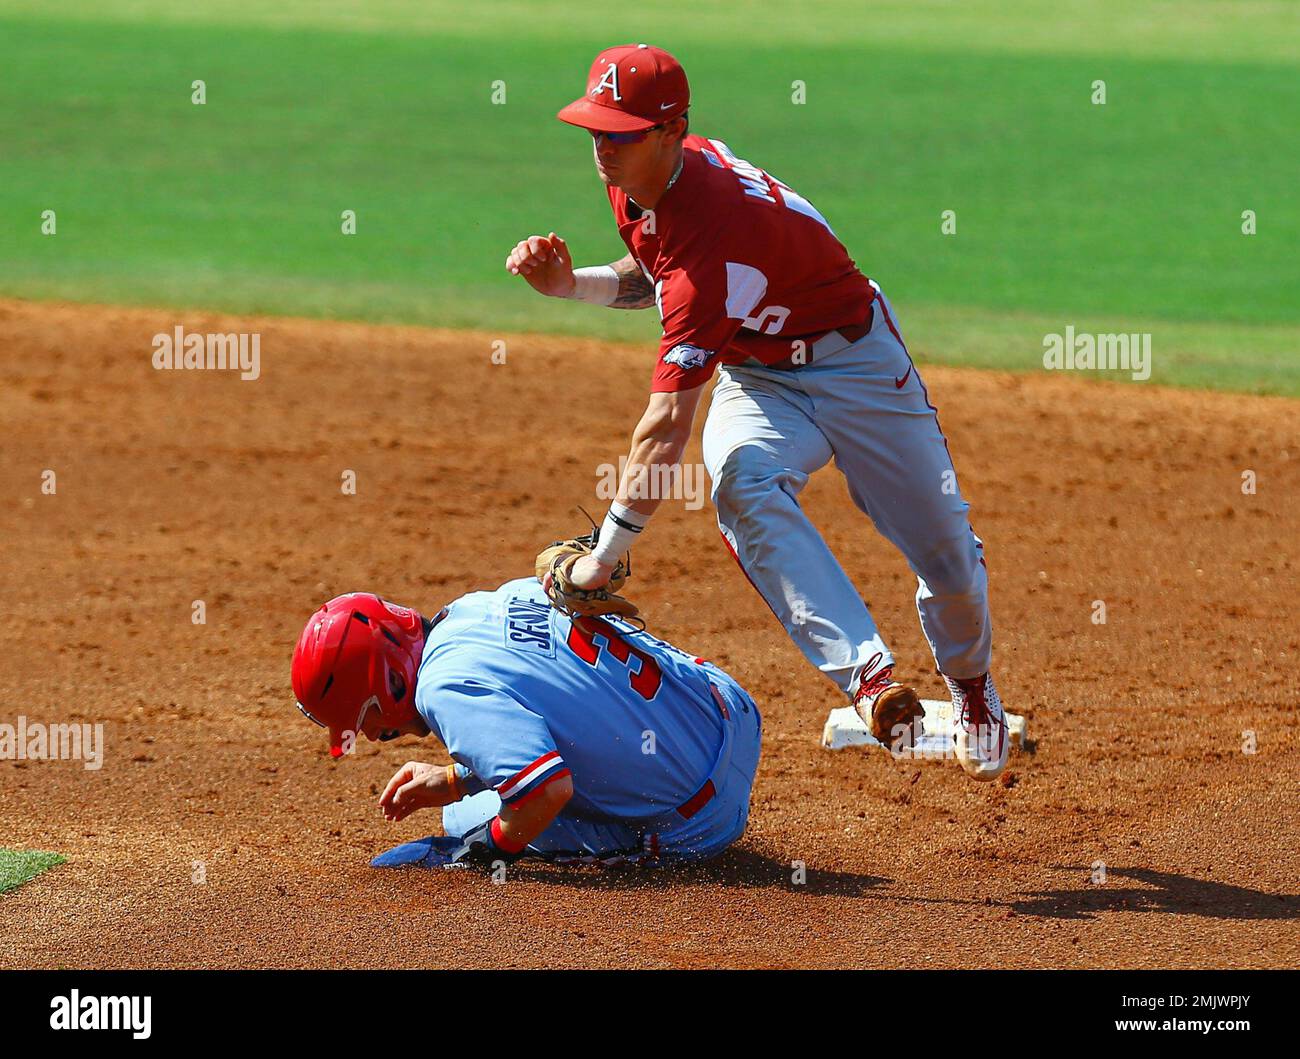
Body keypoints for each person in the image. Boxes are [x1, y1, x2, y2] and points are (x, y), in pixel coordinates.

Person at [505, 43, 1008, 779]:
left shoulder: (715, 233)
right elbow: (654, 271)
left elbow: (665, 426)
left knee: (948, 556)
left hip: (857, 361)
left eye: (621, 132)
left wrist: (604, 559)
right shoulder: (641, 182)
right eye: (595, 131)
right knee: (743, 483)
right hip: (761, 375)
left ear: (673, 130)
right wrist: (569, 287)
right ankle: (870, 680)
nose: (602, 149)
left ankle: (973, 690)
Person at [291, 577, 762, 866]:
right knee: (486, 796)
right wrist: (457, 778)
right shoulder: (476, 606)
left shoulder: (441, 687)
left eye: (363, 720)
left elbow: (548, 791)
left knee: (469, 822)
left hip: (705, 814)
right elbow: (562, 710)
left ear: (389, 682)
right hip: (727, 705)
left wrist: (484, 853)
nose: (371, 736)